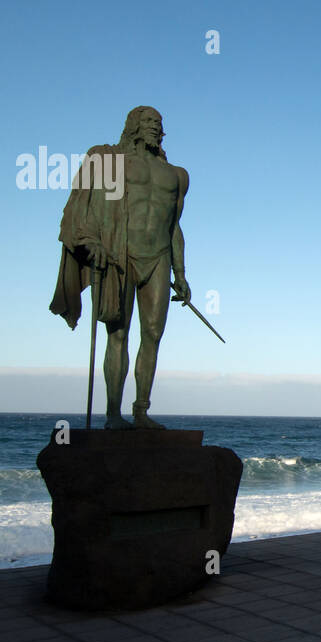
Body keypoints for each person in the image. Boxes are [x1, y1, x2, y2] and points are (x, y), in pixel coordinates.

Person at [50, 106, 192, 429]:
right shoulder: (112, 162)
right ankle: (113, 414)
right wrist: (91, 240)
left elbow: (174, 227)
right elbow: (86, 205)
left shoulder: (177, 176)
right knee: (118, 334)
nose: (156, 128)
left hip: (159, 258)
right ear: (135, 126)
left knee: (153, 335)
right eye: (149, 122)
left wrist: (181, 274)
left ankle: (141, 411)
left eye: (159, 123)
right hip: (121, 255)